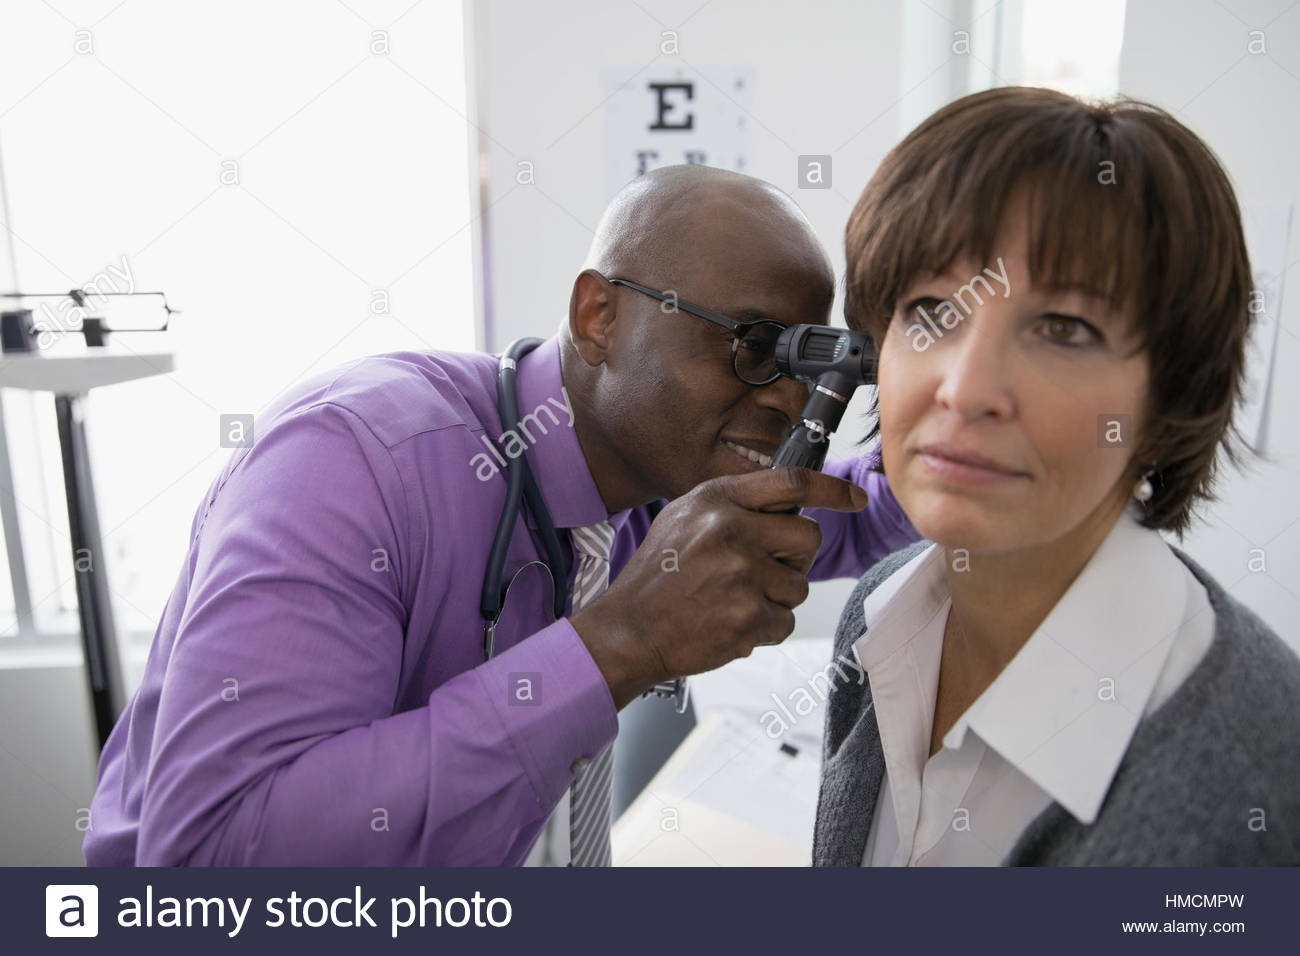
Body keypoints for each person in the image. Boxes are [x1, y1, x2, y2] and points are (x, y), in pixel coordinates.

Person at [84, 164, 919, 866]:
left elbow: (872, 507)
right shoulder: (353, 461)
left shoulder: (664, 482)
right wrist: (616, 646)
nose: (788, 398)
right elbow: (208, 853)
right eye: (753, 345)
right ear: (601, 317)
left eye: (812, 360)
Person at [814, 86, 1300, 866]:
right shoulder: (877, 617)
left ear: (1172, 399)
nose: (965, 390)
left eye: (1064, 329)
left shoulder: (1253, 787)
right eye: (931, 312)